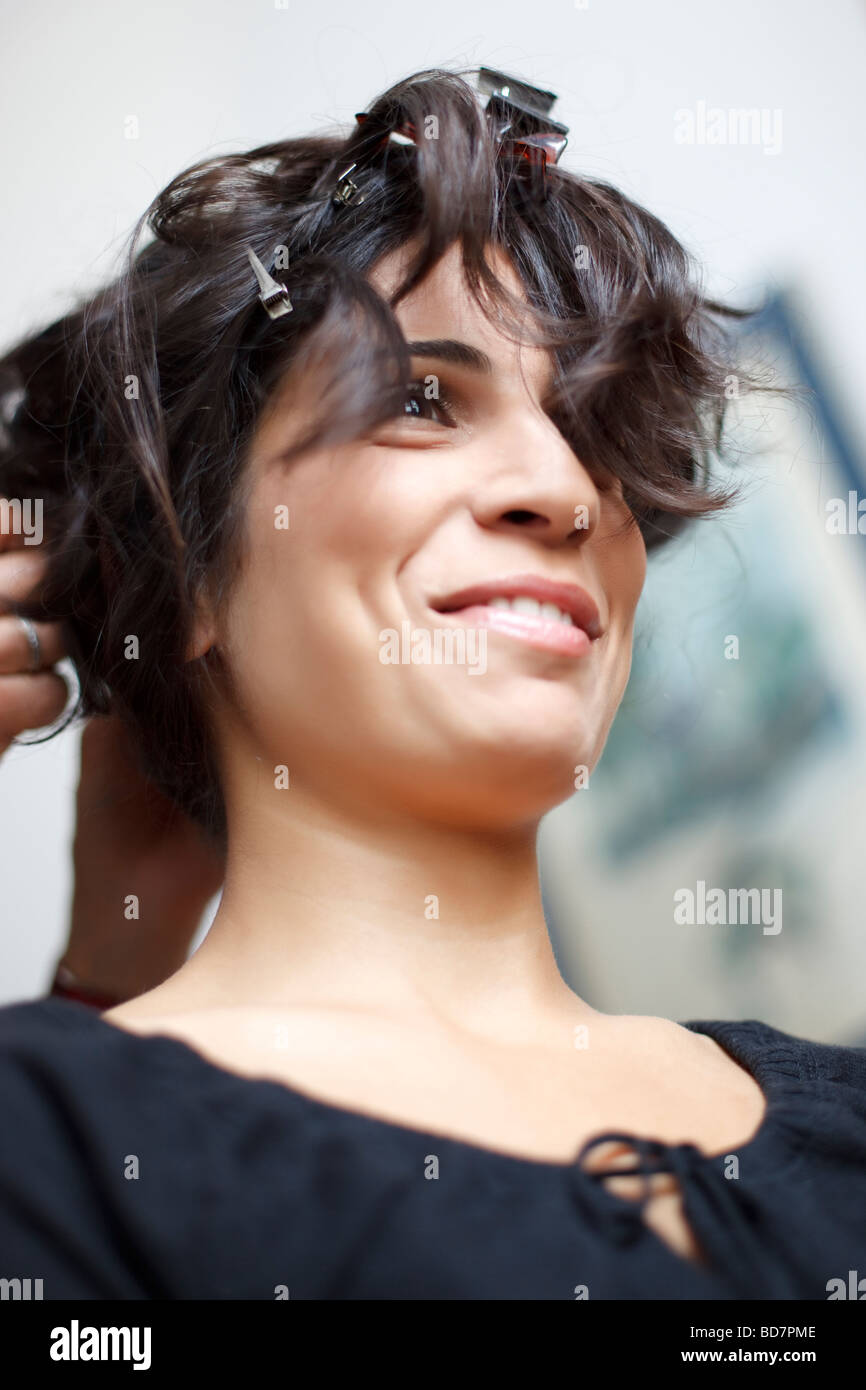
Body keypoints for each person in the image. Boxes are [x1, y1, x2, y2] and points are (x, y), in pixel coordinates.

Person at [0, 66, 863, 1301]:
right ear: (190, 564)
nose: (564, 493)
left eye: (592, 431)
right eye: (419, 398)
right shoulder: (54, 1148)